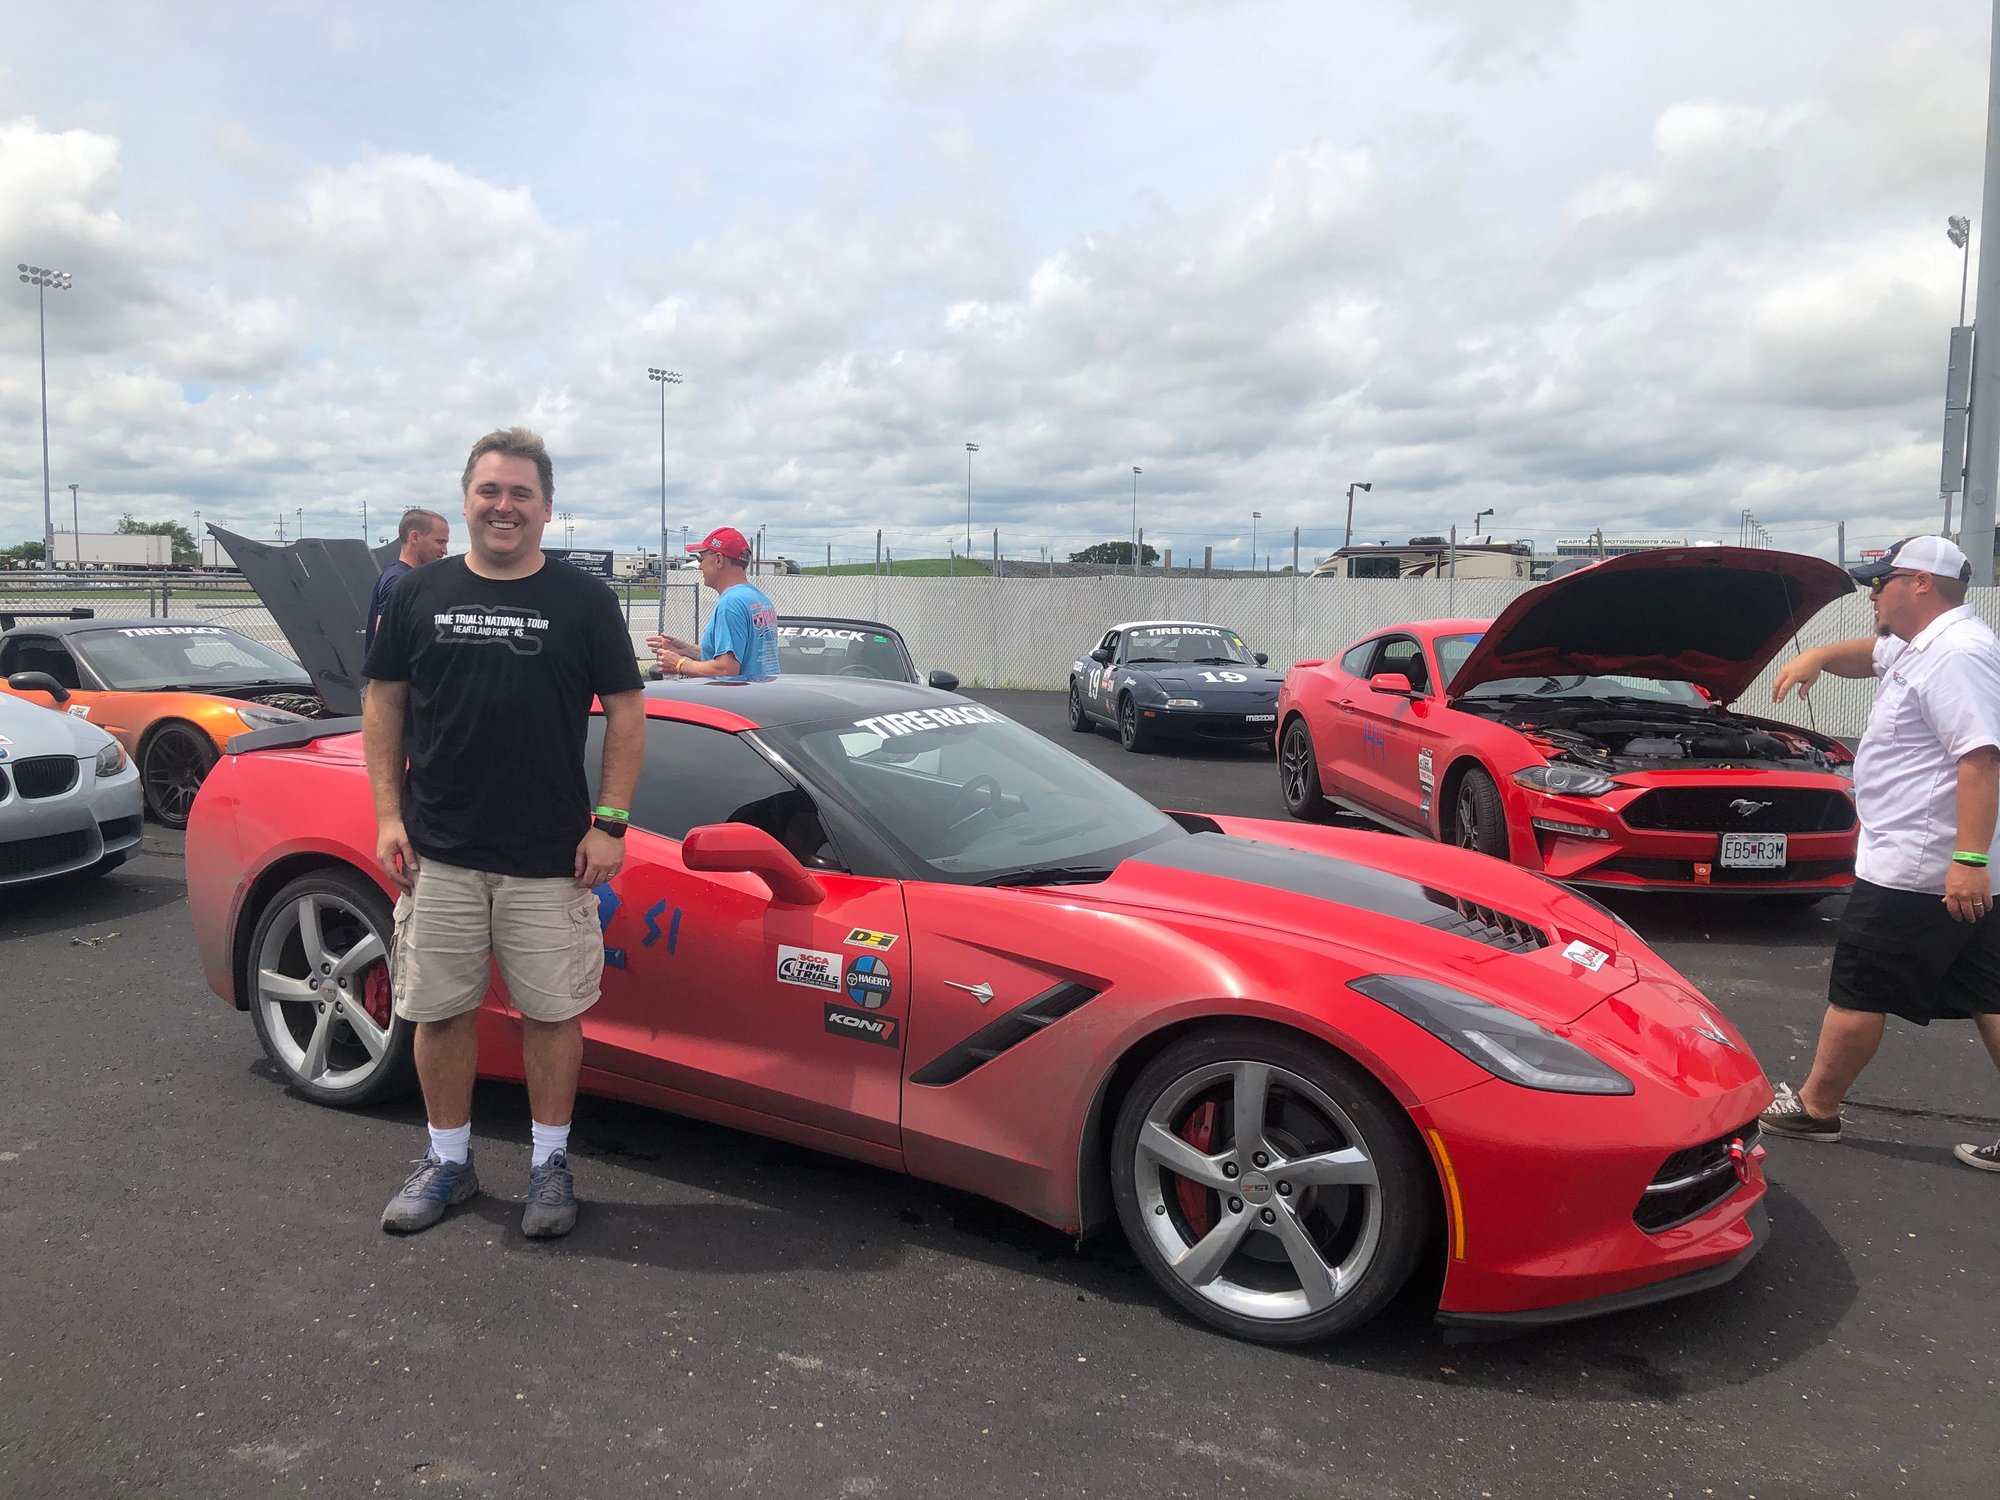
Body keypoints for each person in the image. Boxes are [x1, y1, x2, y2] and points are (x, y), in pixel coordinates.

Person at [362, 428, 646, 1236]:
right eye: (490, 491)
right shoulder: (416, 593)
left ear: (547, 508)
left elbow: (627, 711)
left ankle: (549, 1166)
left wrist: (611, 822)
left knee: (552, 1016)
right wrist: (388, 813)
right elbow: (383, 701)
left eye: (521, 493)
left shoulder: (585, 600)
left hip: (550, 858)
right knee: (440, 1013)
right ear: (465, 500)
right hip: (440, 853)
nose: (504, 506)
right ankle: (448, 1162)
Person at [1757, 535, 2000, 1172]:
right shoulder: (1922, 644)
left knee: (1859, 990)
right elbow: (1870, 655)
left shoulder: (1957, 654)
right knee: (1990, 995)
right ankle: (1817, 1106)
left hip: (1921, 868)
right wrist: (1814, 655)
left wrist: (1968, 859)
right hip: (1945, 865)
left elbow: (1980, 758)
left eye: (1879, 583)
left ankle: (1814, 1109)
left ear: (1919, 583)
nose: (1871, 594)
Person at [646, 524, 779, 680]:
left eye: (701, 558)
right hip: (761, 697)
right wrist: (685, 649)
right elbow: (738, 657)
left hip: (736, 701)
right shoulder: (759, 599)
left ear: (718, 560)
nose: (700, 566)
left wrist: (679, 664)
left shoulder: (731, 603)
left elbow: (726, 669)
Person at [364, 508, 450, 652]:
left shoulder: (402, 577)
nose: (445, 550)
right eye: (440, 542)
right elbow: (384, 645)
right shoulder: (399, 582)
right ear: (414, 537)